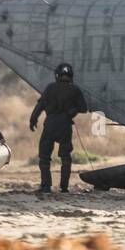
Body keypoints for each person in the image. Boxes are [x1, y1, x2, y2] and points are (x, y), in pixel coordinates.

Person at [29, 63, 89, 193]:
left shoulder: (50, 88)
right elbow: (84, 108)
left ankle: (46, 186)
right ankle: (64, 187)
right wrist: (71, 111)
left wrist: (33, 119)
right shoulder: (75, 90)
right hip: (65, 125)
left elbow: (40, 105)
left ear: (57, 75)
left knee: (44, 157)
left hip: (50, 124)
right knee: (65, 157)